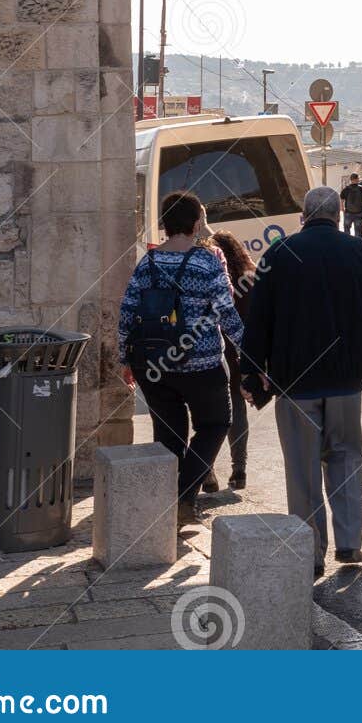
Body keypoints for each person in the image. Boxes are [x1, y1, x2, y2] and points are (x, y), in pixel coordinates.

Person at [241, 185, 362, 578]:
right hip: (346, 381)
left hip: (295, 384)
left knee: (302, 468)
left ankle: (311, 552)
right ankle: (349, 544)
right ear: (339, 216)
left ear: (303, 217)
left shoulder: (278, 255)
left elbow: (258, 322)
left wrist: (250, 368)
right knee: (345, 458)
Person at [118, 190, 244, 527]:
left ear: (165, 223)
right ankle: (183, 498)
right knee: (215, 424)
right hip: (200, 363)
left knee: (168, 435)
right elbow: (226, 310)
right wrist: (248, 352)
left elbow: (128, 310)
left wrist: (124, 358)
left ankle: (169, 509)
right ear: (195, 222)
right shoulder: (206, 262)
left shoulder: (149, 262)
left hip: (155, 365)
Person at [202, 230, 257, 494]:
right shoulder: (250, 279)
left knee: (207, 415)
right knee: (238, 412)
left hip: (214, 350)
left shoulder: (212, 278)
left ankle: (207, 471)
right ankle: (239, 470)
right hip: (239, 354)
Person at [341, 171, 362, 237]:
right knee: (358, 232)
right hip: (359, 213)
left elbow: (341, 201)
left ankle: (347, 245)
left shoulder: (346, 189)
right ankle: (357, 246)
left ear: (351, 179)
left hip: (348, 212)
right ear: (357, 179)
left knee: (346, 232)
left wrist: (343, 209)